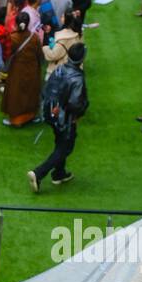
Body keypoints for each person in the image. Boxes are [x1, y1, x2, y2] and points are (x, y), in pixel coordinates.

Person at [28, 43, 88, 190]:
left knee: (60, 142)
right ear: (81, 59)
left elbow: (46, 89)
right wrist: (77, 114)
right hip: (65, 118)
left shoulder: (60, 69)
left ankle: (59, 173)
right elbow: (75, 103)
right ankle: (39, 173)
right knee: (65, 147)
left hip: (51, 113)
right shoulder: (77, 78)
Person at [2, 14, 43, 127]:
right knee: (31, 92)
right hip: (32, 69)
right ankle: (31, 116)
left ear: (16, 23)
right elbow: (40, 54)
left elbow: (7, 53)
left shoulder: (13, 37)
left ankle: (15, 120)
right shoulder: (34, 37)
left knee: (16, 94)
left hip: (17, 70)